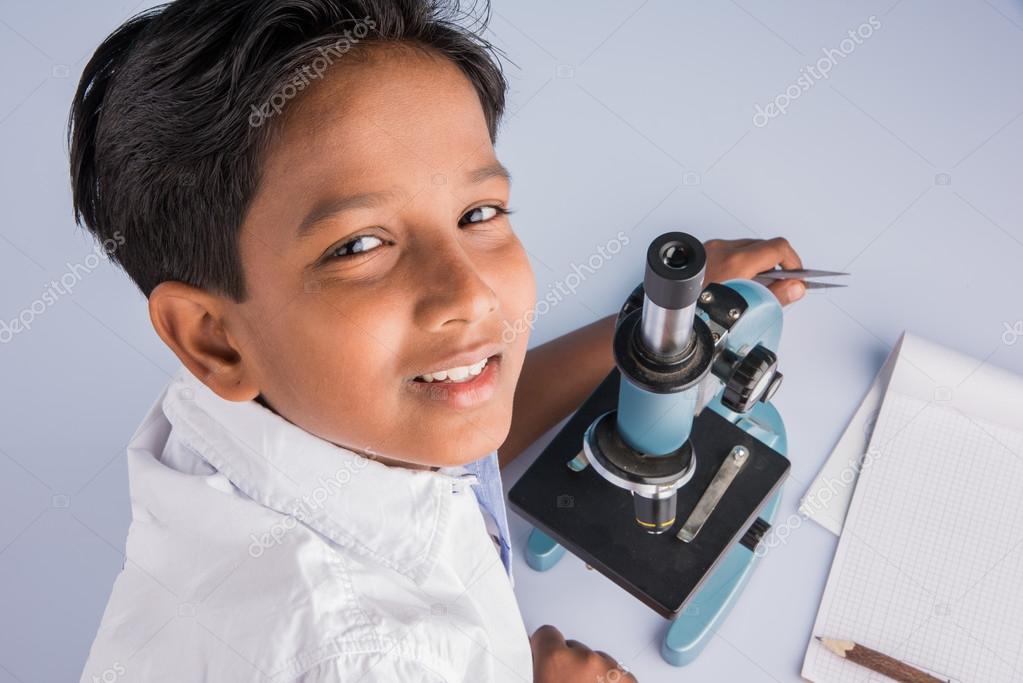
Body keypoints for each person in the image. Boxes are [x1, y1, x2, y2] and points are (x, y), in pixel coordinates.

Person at [69, 1, 805, 680]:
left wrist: (662, 320)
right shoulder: (368, 656)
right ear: (213, 340)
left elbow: (449, 440)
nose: (469, 295)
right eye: (359, 245)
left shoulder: (279, 407)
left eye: (477, 213)